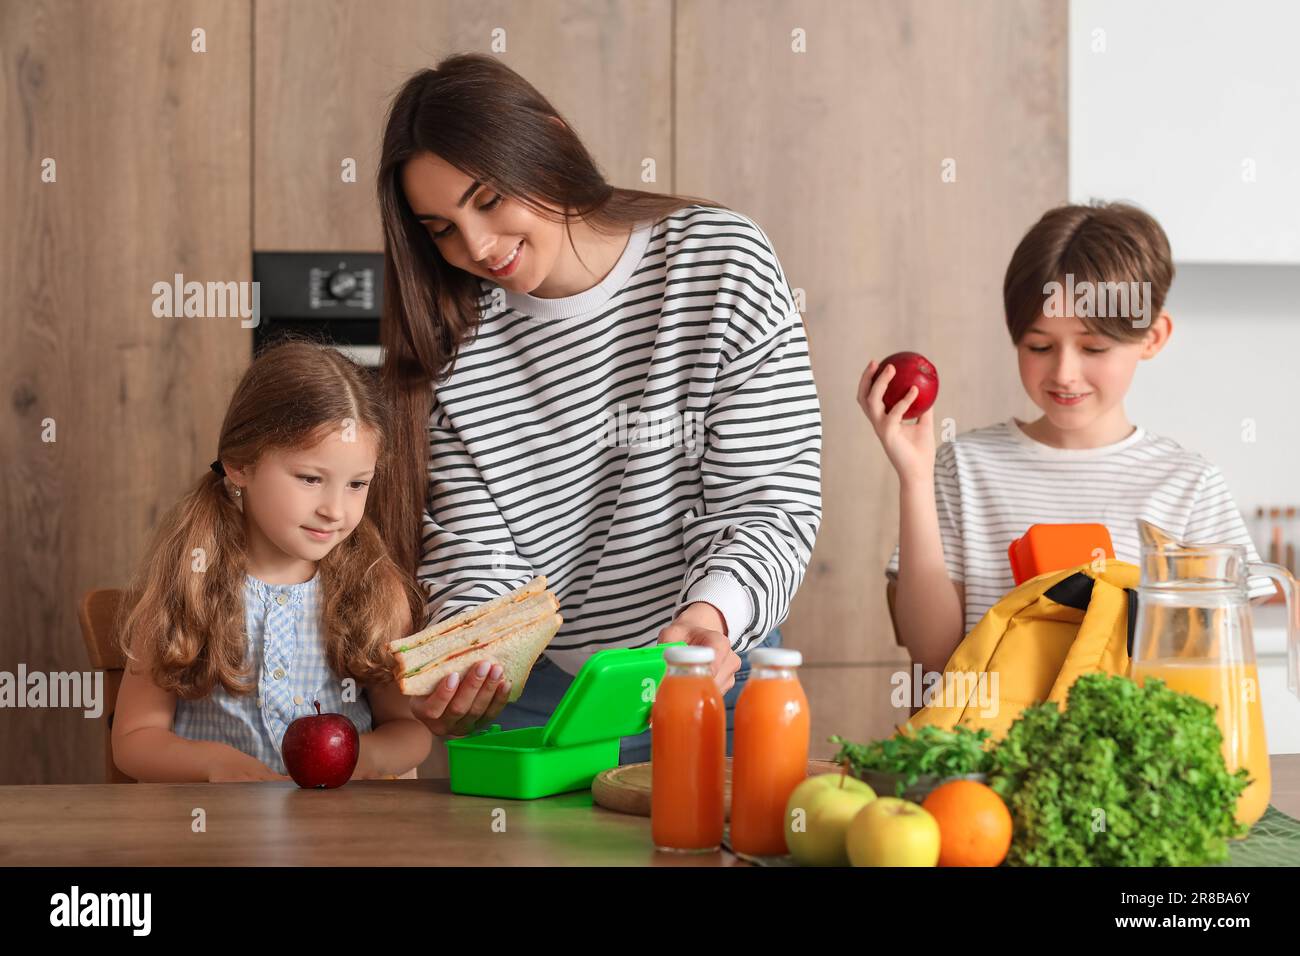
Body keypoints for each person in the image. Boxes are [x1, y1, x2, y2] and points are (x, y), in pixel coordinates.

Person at [370, 54, 822, 761]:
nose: (478, 247)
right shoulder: (456, 336)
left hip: (712, 677)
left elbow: (769, 500)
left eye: (488, 201)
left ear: (547, 141)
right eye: (442, 229)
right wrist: (469, 664)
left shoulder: (718, 262)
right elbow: (474, 549)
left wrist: (712, 614)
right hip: (542, 708)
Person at [861, 201, 1273, 676]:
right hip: (991, 742)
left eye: (1093, 347)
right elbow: (933, 656)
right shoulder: (964, 467)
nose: (1064, 373)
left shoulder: (1190, 484)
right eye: (1039, 346)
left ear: (1153, 337)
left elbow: (1212, 656)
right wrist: (915, 477)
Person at [112, 341, 432, 782]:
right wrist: (214, 764)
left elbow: (407, 731)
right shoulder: (187, 585)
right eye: (310, 479)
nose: (335, 510)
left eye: (357, 484)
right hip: (215, 837)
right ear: (240, 465)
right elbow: (136, 737)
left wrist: (364, 759)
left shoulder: (374, 589)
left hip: (344, 842)